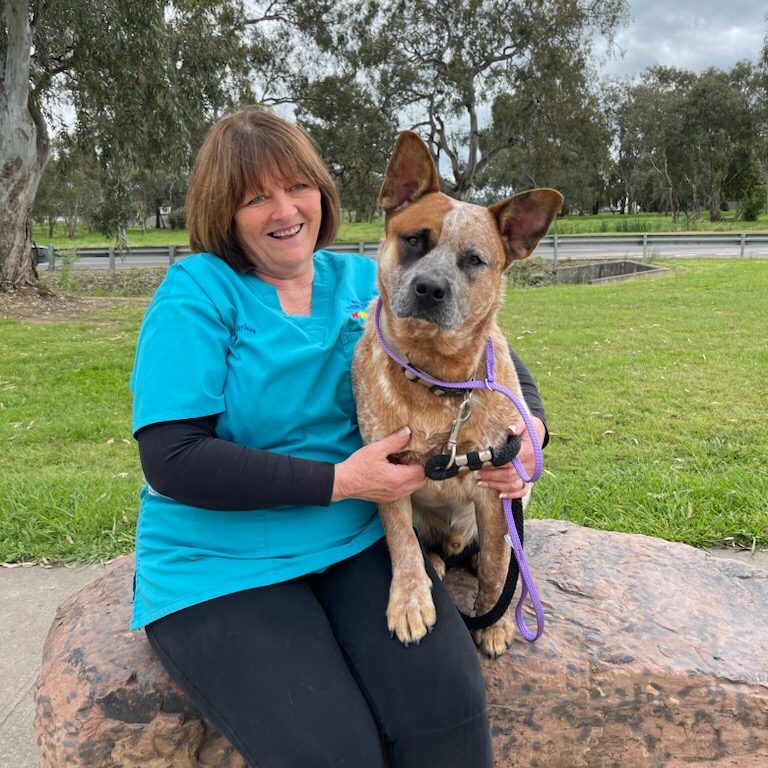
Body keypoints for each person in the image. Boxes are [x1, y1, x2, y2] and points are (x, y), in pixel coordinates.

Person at [130, 106, 549, 768]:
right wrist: (344, 481)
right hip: (221, 563)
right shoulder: (196, 293)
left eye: (297, 186)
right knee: (333, 752)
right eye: (255, 197)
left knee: (446, 709)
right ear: (224, 211)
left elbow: (489, 351)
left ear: (321, 192)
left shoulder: (363, 278)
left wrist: (531, 431)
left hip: (353, 539)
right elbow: (172, 459)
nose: (285, 209)